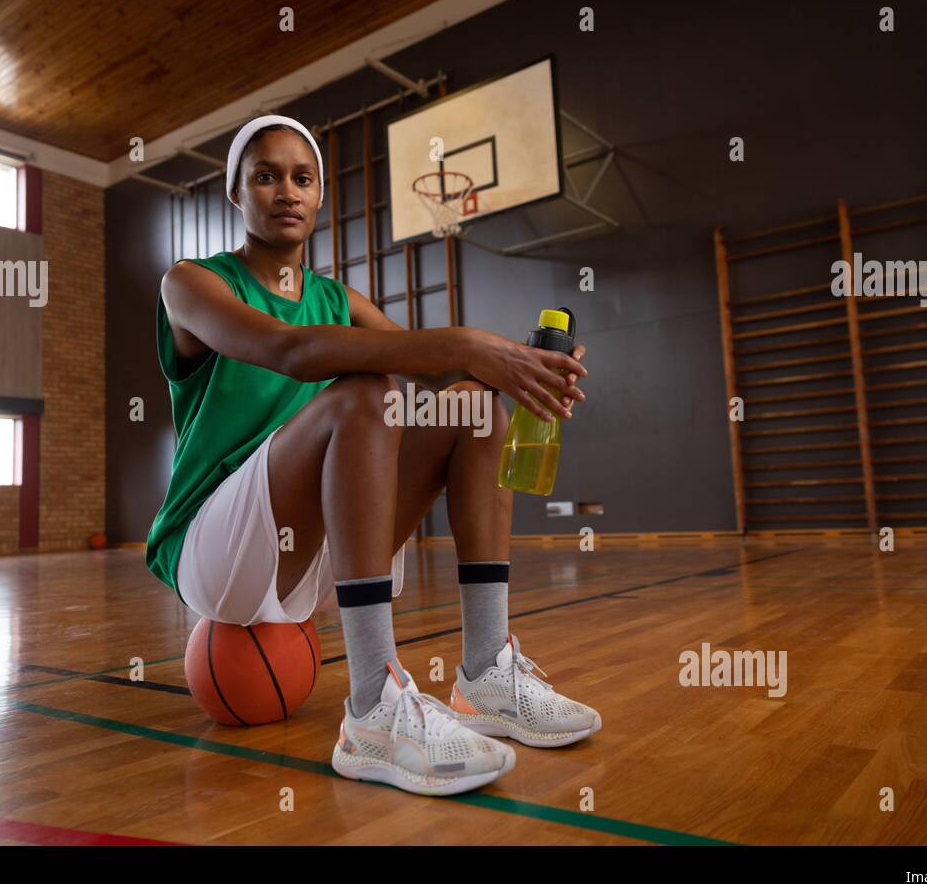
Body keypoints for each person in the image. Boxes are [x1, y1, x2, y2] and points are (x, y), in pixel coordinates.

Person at [146, 114, 599, 796]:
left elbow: (444, 376)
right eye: (265, 176)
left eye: (302, 177)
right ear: (236, 195)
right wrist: (467, 343)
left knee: (475, 408)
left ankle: (485, 670)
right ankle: (372, 708)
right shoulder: (191, 282)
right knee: (365, 393)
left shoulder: (338, 298)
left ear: (321, 195)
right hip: (213, 550)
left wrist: (520, 363)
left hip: (314, 553)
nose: (286, 191)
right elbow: (291, 352)